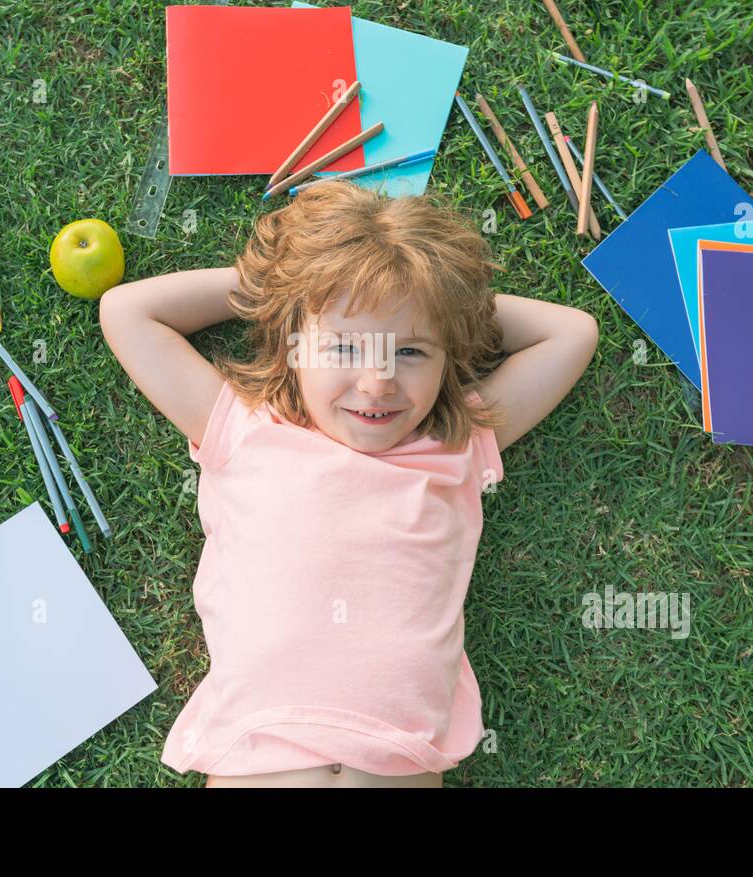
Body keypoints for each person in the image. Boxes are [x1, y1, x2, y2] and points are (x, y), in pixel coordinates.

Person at [100, 179, 598, 787]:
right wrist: (287, 285)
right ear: (292, 345)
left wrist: (444, 296)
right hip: (260, 762)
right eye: (342, 347)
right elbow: (128, 312)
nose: (378, 382)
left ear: (447, 362)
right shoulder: (247, 431)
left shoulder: (453, 449)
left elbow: (572, 333)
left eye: (411, 352)